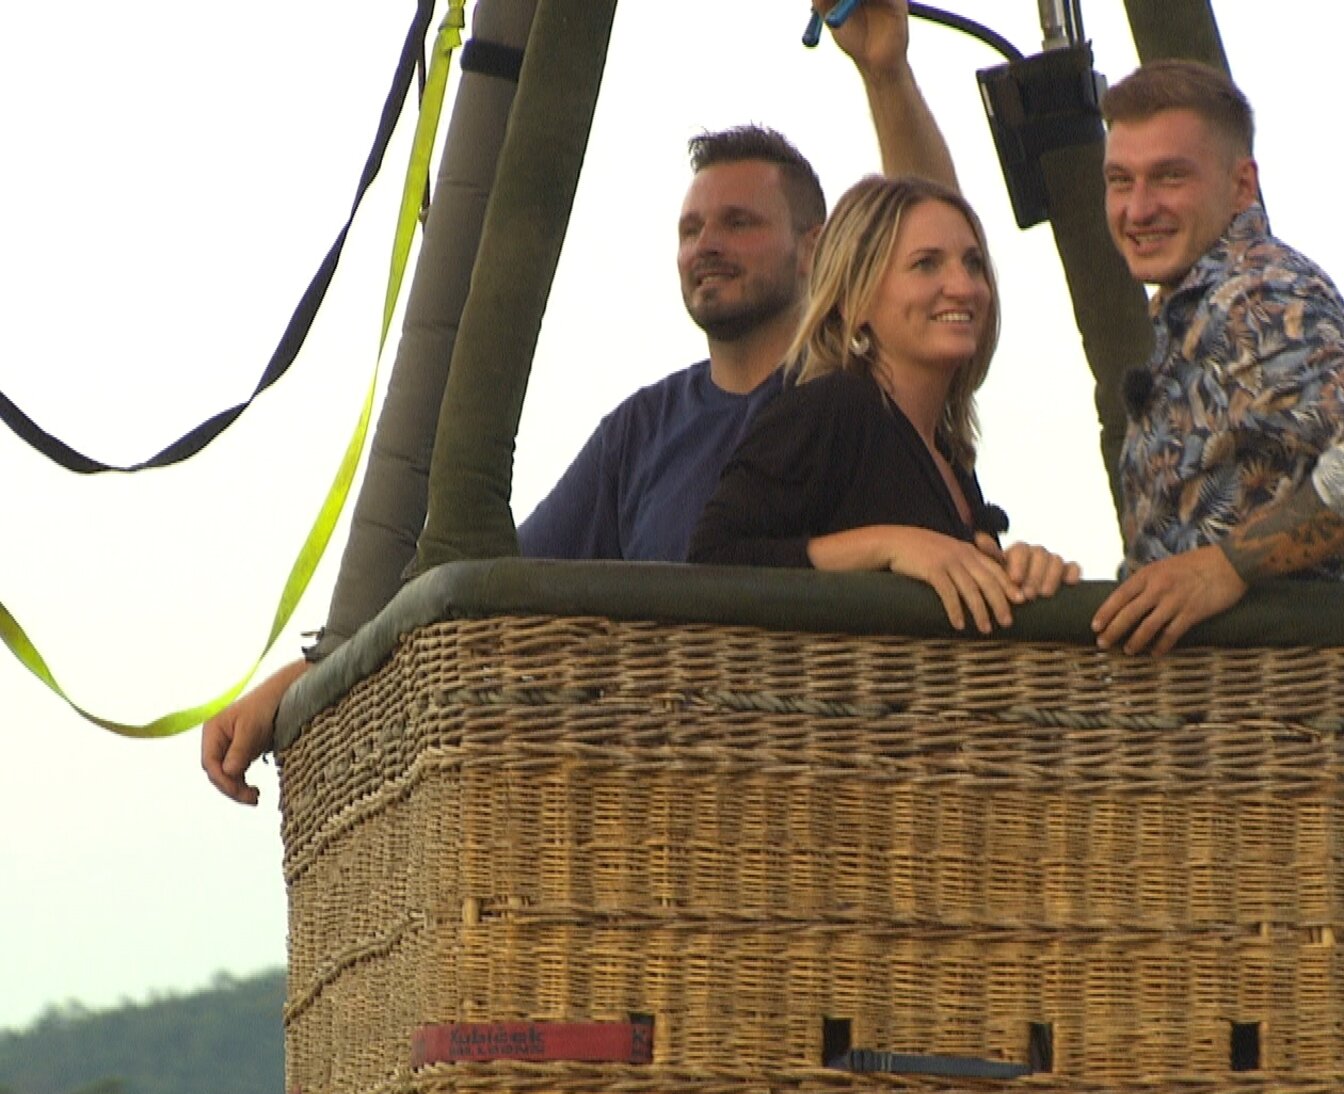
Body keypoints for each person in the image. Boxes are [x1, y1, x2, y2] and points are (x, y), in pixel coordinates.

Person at [201, 0, 954, 803]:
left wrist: (885, 72)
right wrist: (304, 678)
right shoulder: (642, 433)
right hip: (681, 799)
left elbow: (939, 256)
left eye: (739, 223)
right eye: (691, 229)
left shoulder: (856, 393)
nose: (707, 246)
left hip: (847, 777)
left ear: (815, 248)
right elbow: (490, 587)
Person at [1088, 60, 1344, 656]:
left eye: (1170, 177)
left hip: (1283, 698)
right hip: (1218, 702)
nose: (1138, 208)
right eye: (1120, 181)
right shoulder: (1185, 309)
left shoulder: (1254, 299)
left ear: (1242, 185)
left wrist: (1229, 566)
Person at [689, 176, 1079, 632]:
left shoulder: (949, 455)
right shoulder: (833, 408)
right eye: (926, 264)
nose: (963, 286)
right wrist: (890, 545)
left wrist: (1021, 571)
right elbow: (713, 559)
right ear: (856, 297)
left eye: (973, 264)